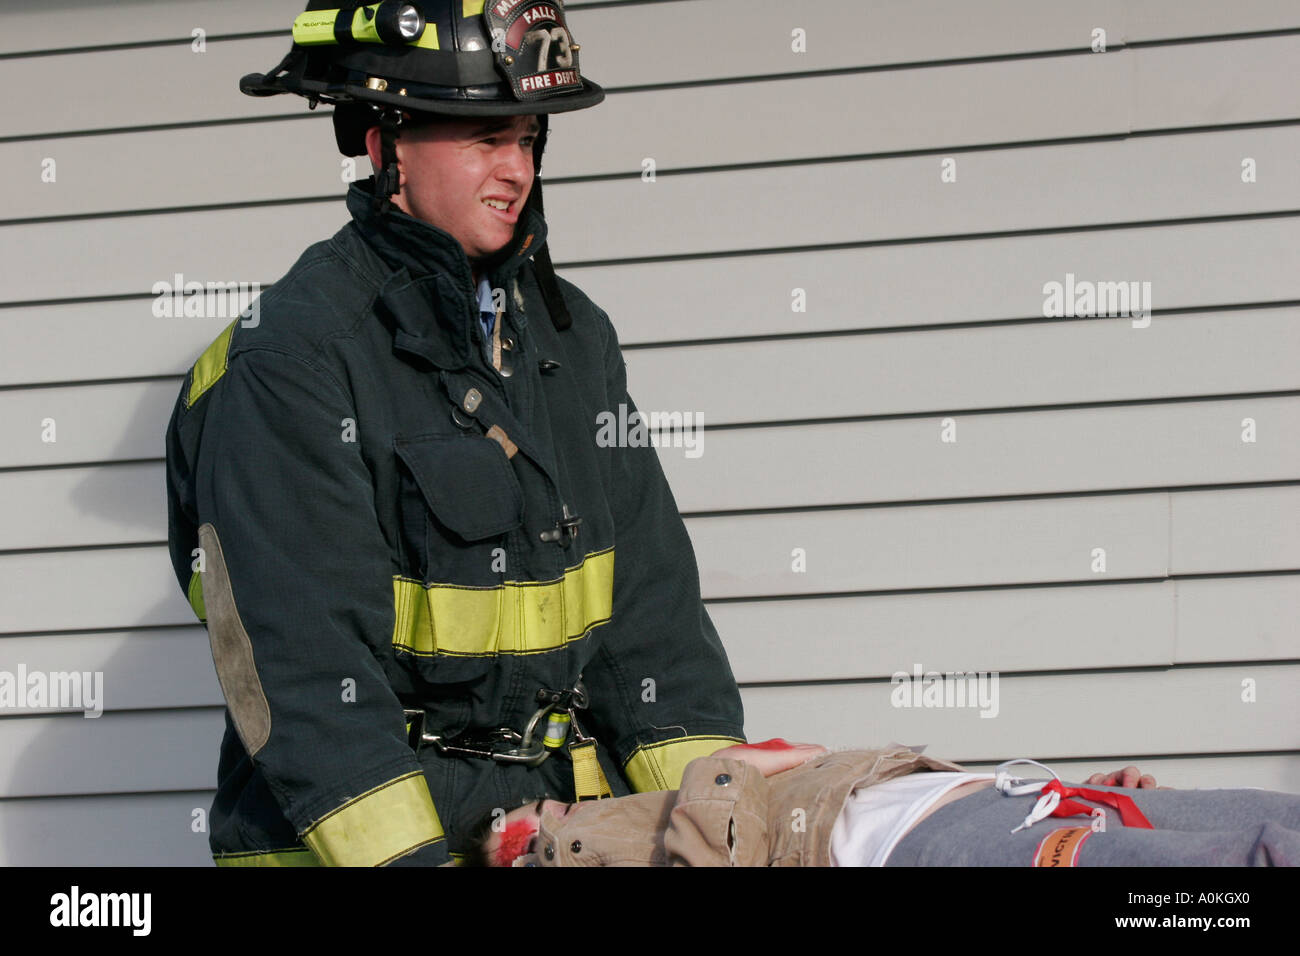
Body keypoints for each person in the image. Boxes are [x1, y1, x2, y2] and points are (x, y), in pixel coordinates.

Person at [165, 0, 744, 867]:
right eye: (483, 139)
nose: (516, 169)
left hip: (553, 835)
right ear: (383, 143)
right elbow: (305, 675)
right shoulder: (293, 361)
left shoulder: (573, 338)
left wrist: (722, 825)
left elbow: (652, 624)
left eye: (528, 137)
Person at [473, 740, 1300, 866]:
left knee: (1274, 825)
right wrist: (725, 770)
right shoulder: (602, 843)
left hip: (1029, 801)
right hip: (925, 846)